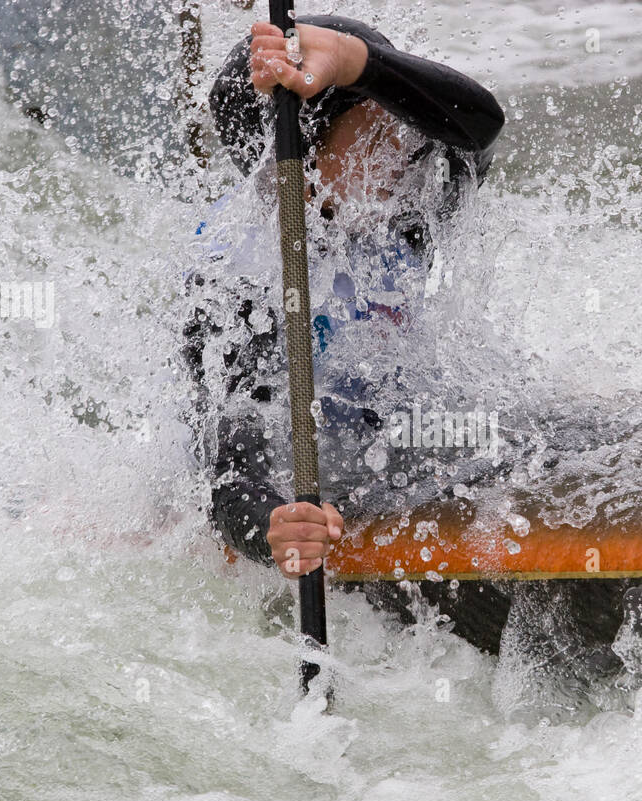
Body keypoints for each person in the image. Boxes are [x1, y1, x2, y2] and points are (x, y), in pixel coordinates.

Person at [185, 14, 505, 584]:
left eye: (401, 120)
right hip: (300, 473)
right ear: (299, 165)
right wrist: (273, 527)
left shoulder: (412, 206)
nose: (407, 151)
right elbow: (226, 466)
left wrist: (358, 63)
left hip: (403, 434)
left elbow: (480, 123)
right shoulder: (236, 284)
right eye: (377, 134)